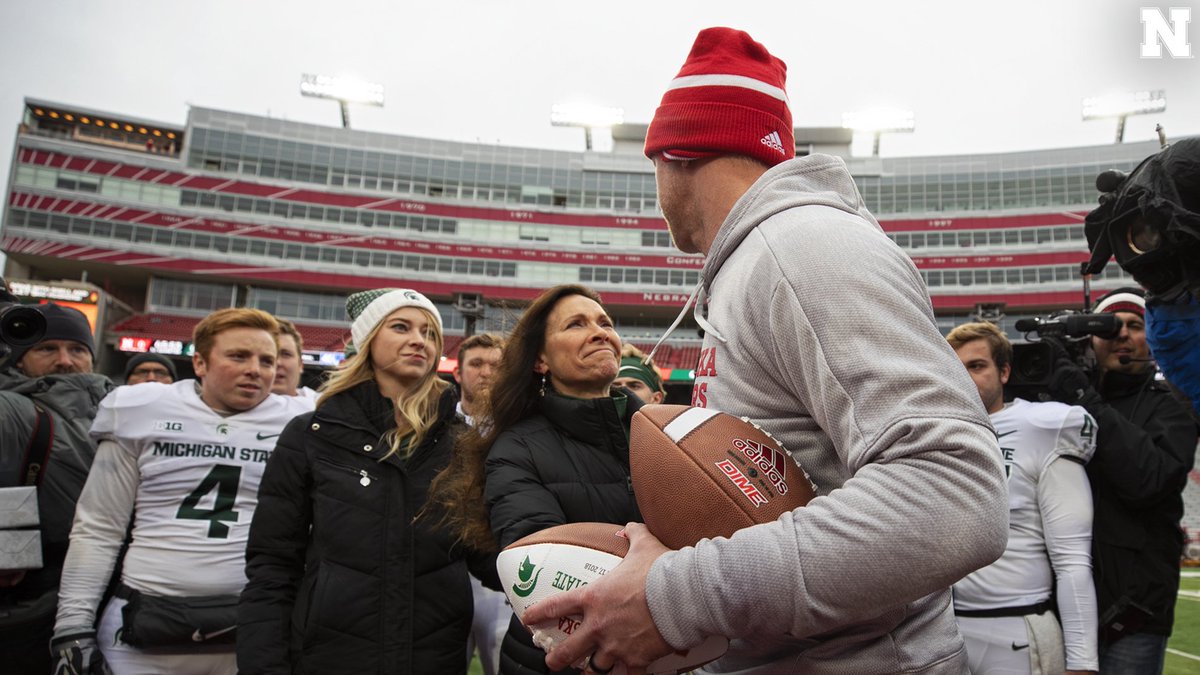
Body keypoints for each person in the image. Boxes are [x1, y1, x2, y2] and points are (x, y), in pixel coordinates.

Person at [523, 28, 1008, 674]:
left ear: (675, 150)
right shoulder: (763, 261)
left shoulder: (802, 247)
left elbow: (957, 495)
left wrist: (674, 595)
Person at [239, 288, 497, 675]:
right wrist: (263, 665)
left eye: (430, 333)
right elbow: (273, 564)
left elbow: (484, 553)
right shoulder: (310, 433)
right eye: (401, 327)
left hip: (434, 657)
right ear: (368, 338)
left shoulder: (463, 442)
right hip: (331, 656)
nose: (418, 340)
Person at [50, 308, 313, 675]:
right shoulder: (141, 408)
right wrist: (72, 626)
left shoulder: (303, 419)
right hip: (141, 622)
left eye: (266, 360)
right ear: (201, 363)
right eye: (238, 356)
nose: (256, 369)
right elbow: (98, 527)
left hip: (250, 625)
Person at [430, 284, 644, 674]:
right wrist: (676, 585)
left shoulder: (664, 435)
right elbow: (545, 574)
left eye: (605, 322)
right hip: (560, 661)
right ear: (540, 360)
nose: (600, 332)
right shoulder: (516, 448)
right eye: (576, 324)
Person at [1045, 287, 1198, 673]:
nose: (1122, 335)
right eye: (1110, 326)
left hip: (1134, 613)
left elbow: (1148, 478)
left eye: (1135, 324)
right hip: (1060, 604)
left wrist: (1081, 395)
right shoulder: (1061, 403)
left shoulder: (1171, 406)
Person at [947, 322, 1099, 674]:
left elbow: (1072, 557)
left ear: (1004, 371)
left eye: (977, 365)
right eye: (956, 367)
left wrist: (1082, 661)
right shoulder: (932, 431)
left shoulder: (1042, 426)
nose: (965, 377)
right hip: (946, 632)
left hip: (1019, 628)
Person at [0, 303, 112, 675]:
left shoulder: (122, 409)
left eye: (77, 349)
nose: (65, 360)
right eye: (47, 349)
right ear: (17, 358)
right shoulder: (11, 409)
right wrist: (9, 549)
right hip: (29, 600)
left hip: (105, 596)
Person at [452, 332, 510, 675]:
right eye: (476, 364)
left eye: (496, 365)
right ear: (457, 373)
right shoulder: (431, 425)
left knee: (503, 659)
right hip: (448, 569)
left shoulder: (521, 428)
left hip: (497, 568)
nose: (486, 372)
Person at [271, 318, 317, 400]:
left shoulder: (321, 405)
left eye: (286, 354)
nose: (277, 363)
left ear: (300, 365)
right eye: (268, 356)